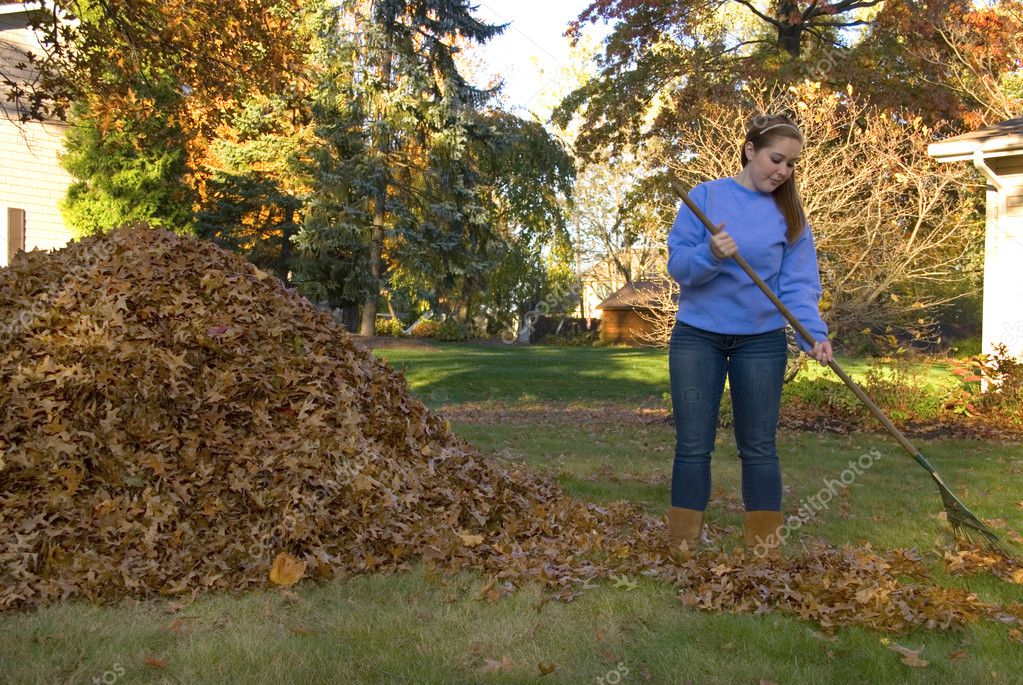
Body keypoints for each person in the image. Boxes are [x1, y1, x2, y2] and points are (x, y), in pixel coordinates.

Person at [665, 113, 833, 559]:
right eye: (776, 159)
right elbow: (679, 266)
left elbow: (797, 286)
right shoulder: (705, 197)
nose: (783, 171)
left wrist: (811, 334)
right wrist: (710, 253)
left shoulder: (790, 215)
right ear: (749, 150)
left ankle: (764, 550)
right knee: (693, 442)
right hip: (697, 336)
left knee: (759, 446)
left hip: (760, 341)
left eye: (792, 164)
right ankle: (682, 545)